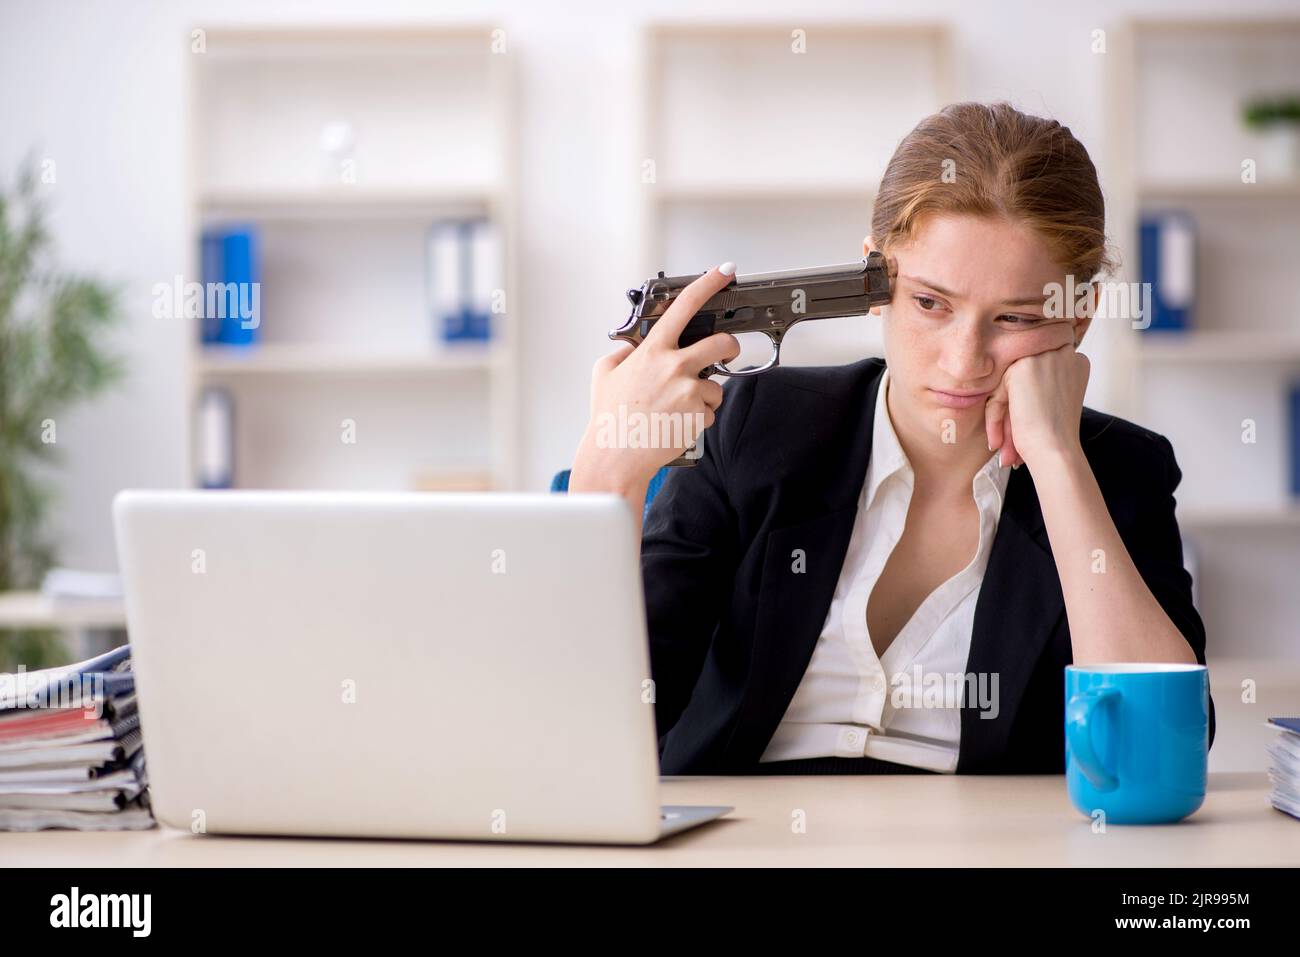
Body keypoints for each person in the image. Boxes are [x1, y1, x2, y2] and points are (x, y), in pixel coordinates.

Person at [569, 101, 1215, 774]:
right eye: (931, 304)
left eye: (1015, 316)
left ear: (1079, 318)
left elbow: (1156, 763)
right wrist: (604, 481)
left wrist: (1057, 463)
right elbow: (587, 742)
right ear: (874, 280)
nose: (964, 359)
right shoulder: (755, 425)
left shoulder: (1121, 472)